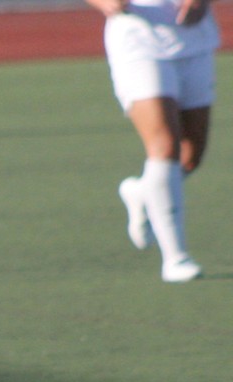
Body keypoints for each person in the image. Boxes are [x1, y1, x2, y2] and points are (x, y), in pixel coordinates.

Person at [87, 0, 220, 281]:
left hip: (193, 40)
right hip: (138, 44)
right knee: (165, 146)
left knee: (191, 156)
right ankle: (175, 257)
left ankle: (143, 191)